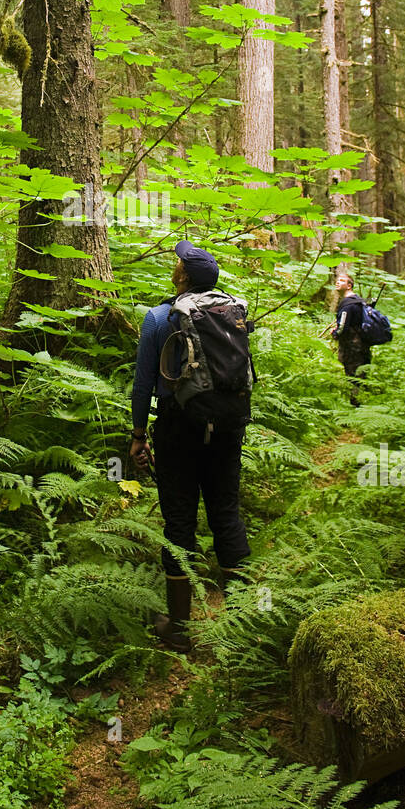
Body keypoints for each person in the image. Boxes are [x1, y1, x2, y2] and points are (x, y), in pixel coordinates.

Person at [130, 240, 250, 652]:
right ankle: (240, 623)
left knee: (179, 522)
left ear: (182, 277)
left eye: (177, 264)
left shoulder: (159, 318)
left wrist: (138, 436)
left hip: (177, 428)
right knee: (226, 516)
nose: (174, 266)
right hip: (227, 428)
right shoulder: (230, 315)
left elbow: (143, 385)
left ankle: (179, 630)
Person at [328, 272, 371, 404]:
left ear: (349, 285)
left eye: (342, 281)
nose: (338, 282)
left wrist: (335, 334)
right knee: (360, 374)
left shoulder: (348, 304)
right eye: (337, 280)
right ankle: (361, 404)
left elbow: (343, 327)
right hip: (363, 343)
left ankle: (355, 406)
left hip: (352, 346)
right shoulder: (359, 301)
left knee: (353, 376)